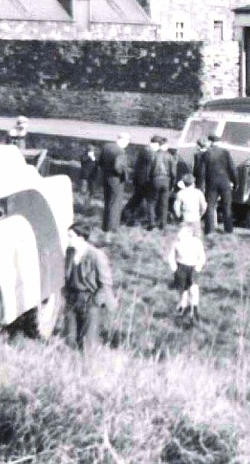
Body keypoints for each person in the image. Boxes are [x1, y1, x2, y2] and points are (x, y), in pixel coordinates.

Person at [62, 223, 116, 351]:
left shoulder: (96, 256)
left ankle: (86, 367)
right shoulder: (70, 252)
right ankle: (69, 366)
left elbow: (106, 283)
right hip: (72, 299)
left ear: (81, 238)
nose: (68, 239)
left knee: (87, 342)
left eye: (71, 236)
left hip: (89, 300)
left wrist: (95, 302)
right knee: (69, 339)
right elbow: (66, 276)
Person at [166, 225, 207, 321]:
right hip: (181, 267)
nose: (179, 235)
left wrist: (198, 268)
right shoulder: (176, 243)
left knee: (193, 288)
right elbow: (170, 257)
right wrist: (175, 269)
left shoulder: (196, 243)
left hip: (193, 267)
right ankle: (183, 306)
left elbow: (202, 257)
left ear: (189, 234)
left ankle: (195, 308)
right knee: (182, 289)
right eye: (179, 233)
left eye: (182, 233)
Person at [203, 134, 237, 235]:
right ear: (219, 142)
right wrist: (235, 182)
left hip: (211, 183)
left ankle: (209, 230)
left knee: (210, 206)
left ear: (210, 142)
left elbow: (202, 172)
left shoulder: (206, 153)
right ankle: (228, 230)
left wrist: (202, 184)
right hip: (225, 182)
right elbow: (232, 169)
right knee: (227, 206)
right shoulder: (226, 153)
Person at [122, 137, 158, 227]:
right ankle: (150, 221)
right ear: (155, 144)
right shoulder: (148, 151)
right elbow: (151, 164)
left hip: (141, 179)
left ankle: (126, 216)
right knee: (143, 200)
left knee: (137, 199)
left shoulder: (146, 150)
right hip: (144, 180)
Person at [99, 133, 130, 232]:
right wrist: (124, 175)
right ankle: (112, 228)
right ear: (124, 140)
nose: (127, 144)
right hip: (116, 180)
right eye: (128, 141)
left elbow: (100, 162)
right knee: (115, 204)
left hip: (106, 177)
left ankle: (105, 226)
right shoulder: (121, 151)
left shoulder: (106, 147)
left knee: (108, 202)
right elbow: (118, 167)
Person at [149, 136, 177, 230]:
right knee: (164, 203)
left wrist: (150, 179)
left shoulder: (153, 155)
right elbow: (173, 172)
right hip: (166, 180)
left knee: (152, 202)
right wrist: (172, 183)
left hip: (155, 179)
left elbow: (149, 169)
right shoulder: (170, 156)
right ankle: (163, 224)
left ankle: (152, 222)